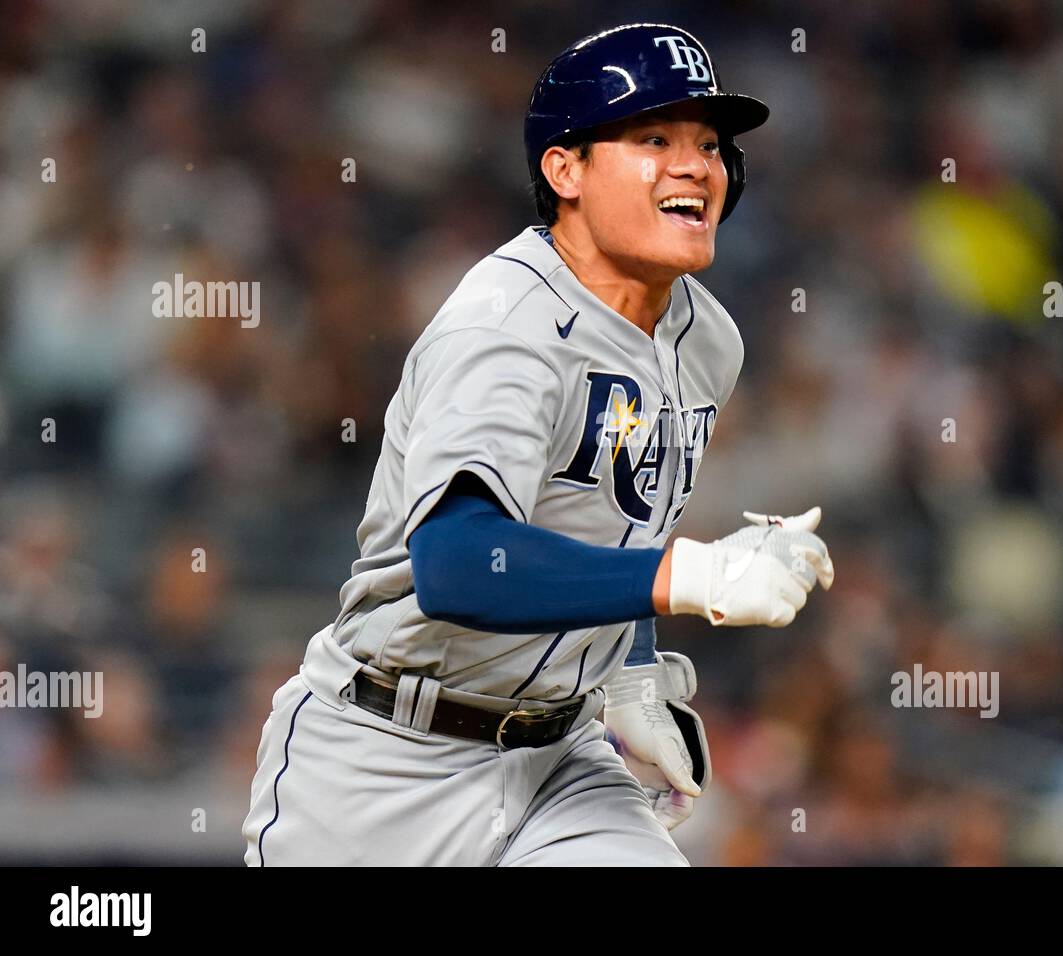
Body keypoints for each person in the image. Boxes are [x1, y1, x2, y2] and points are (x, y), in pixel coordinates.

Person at [242, 22, 833, 867]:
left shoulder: (709, 341)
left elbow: (615, 528)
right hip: (383, 760)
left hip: (561, 759)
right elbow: (456, 564)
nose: (696, 165)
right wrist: (693, 576)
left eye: (709, 143)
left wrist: (630, 670)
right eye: (653, 137)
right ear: (565, 170)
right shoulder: (506, 327)